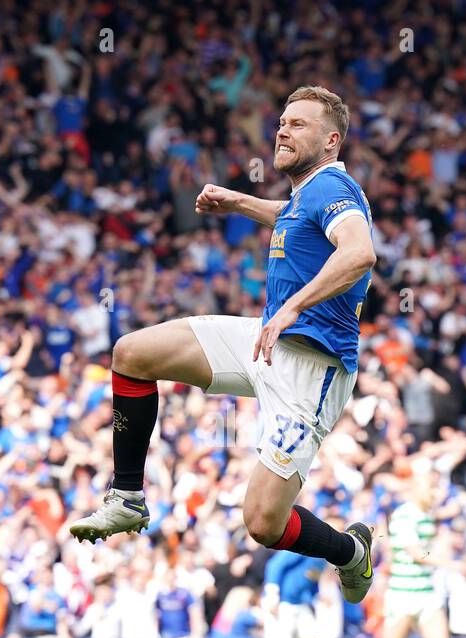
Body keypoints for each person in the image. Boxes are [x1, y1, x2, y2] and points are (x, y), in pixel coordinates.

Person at [68, 86, 377, 608]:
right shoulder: (311, 194)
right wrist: (237, 202)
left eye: (297, 124)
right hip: (265, 342)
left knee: (261, 523)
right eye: (281, 121)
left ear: (331, 142)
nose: (282, 130)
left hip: (311, 368)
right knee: (133, 353)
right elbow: (291, 213)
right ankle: (126, 497)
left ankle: (350, 551)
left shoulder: (334, 189)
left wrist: (294, 305)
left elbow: (360, 253)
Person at [362, 462, 466, 638]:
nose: (437, 494)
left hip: (425, 590)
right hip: (403, 591)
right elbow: (416, 553)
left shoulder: (425, 515)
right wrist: (453, 564)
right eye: (433, 488)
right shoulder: (405, 515)